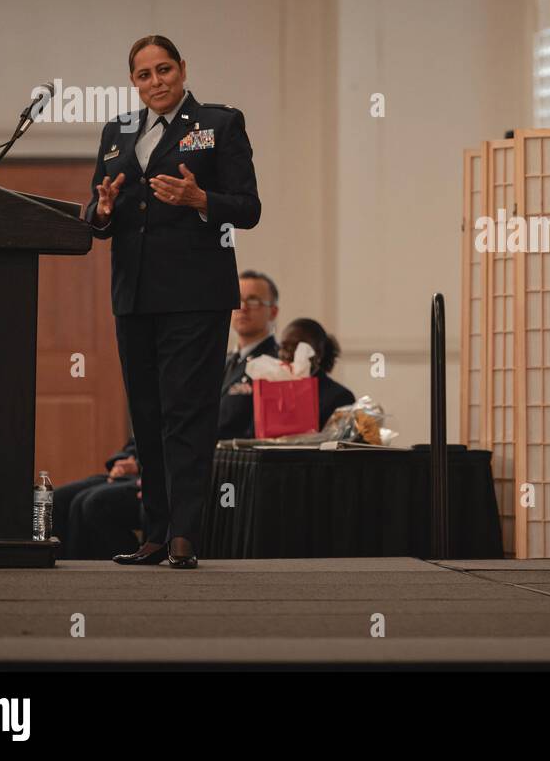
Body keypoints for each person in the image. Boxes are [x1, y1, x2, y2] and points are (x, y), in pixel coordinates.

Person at [83, 34, 261, 569]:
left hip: (194, 294)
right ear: (133, 81)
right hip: (134, 296)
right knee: (148, 414)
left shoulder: (218, 124)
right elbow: (99, 216)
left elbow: (249, 207)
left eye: (164, 70)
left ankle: (185, 535)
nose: (156, 82)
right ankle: (154, 534)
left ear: (182, 69)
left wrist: (200, 198)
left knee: (186, 413)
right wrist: (104, 209)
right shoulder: (117, 131)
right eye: (144, 75)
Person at [52, 438, 142, 560]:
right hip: (132, 472)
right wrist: (123, 462)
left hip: (155, 476)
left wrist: (138, 465)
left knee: (90, 502)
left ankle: (129, 558)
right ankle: (60, 566)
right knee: (57, 498)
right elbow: (140, 440)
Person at [217, 270, 281, 440]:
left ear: (273, 312)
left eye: (253, 300)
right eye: (237, 299)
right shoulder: (220, 362)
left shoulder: (279, 364)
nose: (243, 307)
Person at [278, 317, 355, 430]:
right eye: (284, 347)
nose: (287, 355)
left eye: (297, 348)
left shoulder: (340, 397)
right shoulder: (273, 389)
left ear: (318, 353)